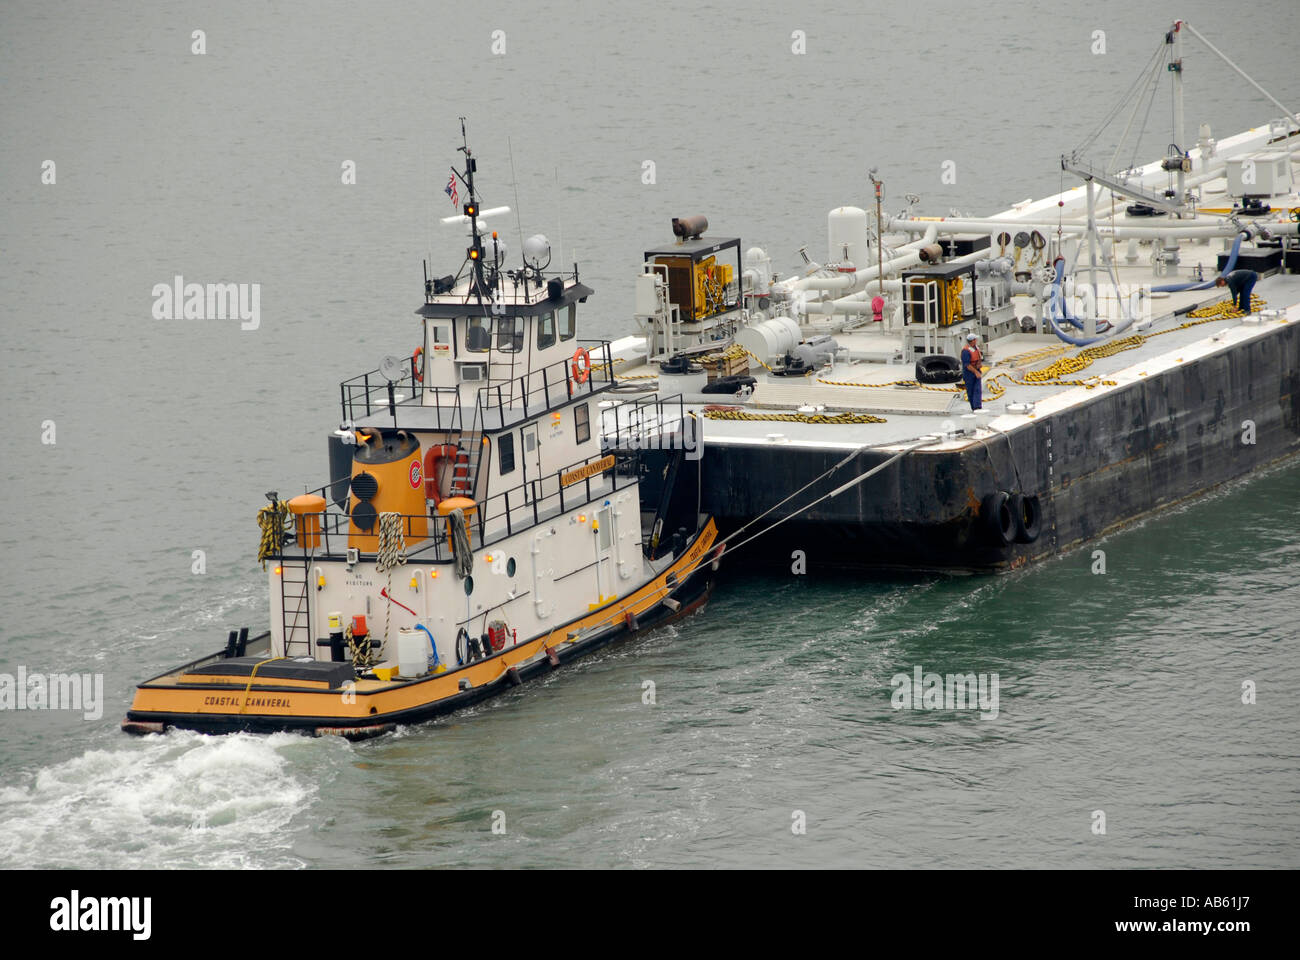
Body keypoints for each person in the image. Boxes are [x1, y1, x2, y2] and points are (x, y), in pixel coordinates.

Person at [960, 332, 983, 411]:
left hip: (976, 370)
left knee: (977, 389)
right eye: (975, 339)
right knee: (971, 390)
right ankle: (974, 408)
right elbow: (967, 365)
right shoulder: (965, 352)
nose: (976, 340)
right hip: (969, 373)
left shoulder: (976, 348)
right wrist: (976, 372)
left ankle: (978, 407)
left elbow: (979, 357)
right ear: (972, 341)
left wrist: (979, 365)